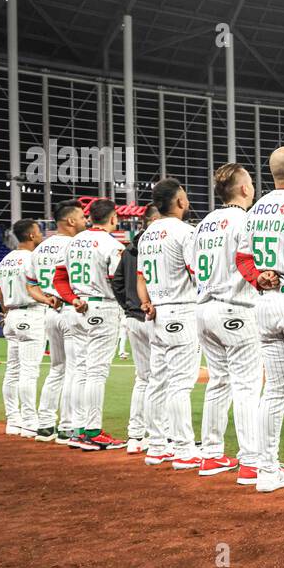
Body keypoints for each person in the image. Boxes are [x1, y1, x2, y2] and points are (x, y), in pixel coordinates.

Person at [234, 146, 284, 493]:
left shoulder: (255, 209)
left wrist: (257, 277)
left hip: (264, 305)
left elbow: (242, 257)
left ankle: (266, 470)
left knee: (275, 390)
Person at [193, 164, 264, 481]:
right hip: (235, 307)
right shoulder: (244, 220)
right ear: (245, 189)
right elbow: (252, 261)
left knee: (219, 382)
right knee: (247, 386)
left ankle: (210, 455)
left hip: (204, 308)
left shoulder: (204, 223)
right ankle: (251, 461)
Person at [136, 179, 201, 469]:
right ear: (179, 202)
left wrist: (147, 301)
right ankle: (185, 449)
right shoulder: (185, 231)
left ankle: (157, 445)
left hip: (156, 312)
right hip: (182, 309)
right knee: (180, 384)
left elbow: (141, 277)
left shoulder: (148, 234)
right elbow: (197, 273)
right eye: (184, 196)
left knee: (157, 381)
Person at [54, 198, 126, 451]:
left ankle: (77, 430)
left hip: (75, 308)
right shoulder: (111, 244)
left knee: (82, 371)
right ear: (113, 218)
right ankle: (93, 432)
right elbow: (118, 282)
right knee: (96, 372)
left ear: (90, 217)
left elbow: (59, 279)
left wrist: (73, 299)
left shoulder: (73, 243)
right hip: (101, 306)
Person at [31, 200, 86, 443]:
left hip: (50, 311)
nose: (86, 220)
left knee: (57, 369)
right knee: (75, 370)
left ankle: (44, 425)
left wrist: (46, 299)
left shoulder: (40, 248)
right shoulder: (75, 245)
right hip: (69, 308)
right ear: (70, 221)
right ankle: (67, 426)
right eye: (82, 216)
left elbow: (31, 284)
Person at [111, 202, 162, 454]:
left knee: (143, 379)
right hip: (154, 316)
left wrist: (129, 306)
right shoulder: (158, 243)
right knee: (160, 378)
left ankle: (134, 436)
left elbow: (117, 282)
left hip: (133, 316)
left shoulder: (129, 248)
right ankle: (157, 436)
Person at [0, 219, 47, 437]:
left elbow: (0, 292)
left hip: (11, 314)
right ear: (30, 236)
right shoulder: (32, 258)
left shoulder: (5, 260)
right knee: (29, 372)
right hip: (30, 312)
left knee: (12, 372)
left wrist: (7, 313)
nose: (40, 235)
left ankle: (13, 421)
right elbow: (38, 287)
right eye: (38, 232)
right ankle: (29, 422)